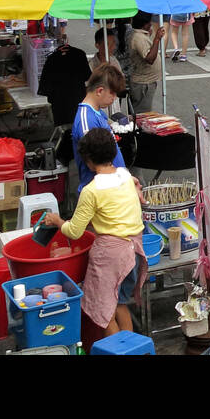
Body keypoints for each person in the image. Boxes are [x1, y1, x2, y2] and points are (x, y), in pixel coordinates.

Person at [42, 127, 145, 338]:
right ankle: (133, 349)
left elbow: (74, 231)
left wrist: (56, 220)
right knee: (120, 303)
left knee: (102, 308)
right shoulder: (125, 176)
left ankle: (119, 351)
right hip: (134, 250)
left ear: (88, 160)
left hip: (111, 255)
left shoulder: (91, 190)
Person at [71, 63, 128, 191]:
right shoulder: (87, 119)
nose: (114, 98)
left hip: (111, 186)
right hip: (102, 192)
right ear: (100, 91)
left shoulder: (97, 112)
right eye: (112, 93)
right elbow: (95, 163)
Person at [37, 33, 92, 128]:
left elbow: (45, 88)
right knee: (81, 127)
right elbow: (87, 76)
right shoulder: (80, 55)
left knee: (66, 131)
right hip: (78, 100)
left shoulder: (51, 59)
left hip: (60, 106)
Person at [127, 12, 164, 113]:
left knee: (142, 112)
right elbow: (149, 59)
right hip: (143, 84)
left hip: (146, 82)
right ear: (146, 24)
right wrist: (157, 38)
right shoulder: (138, 37)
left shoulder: (140, 35)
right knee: (142, 115)